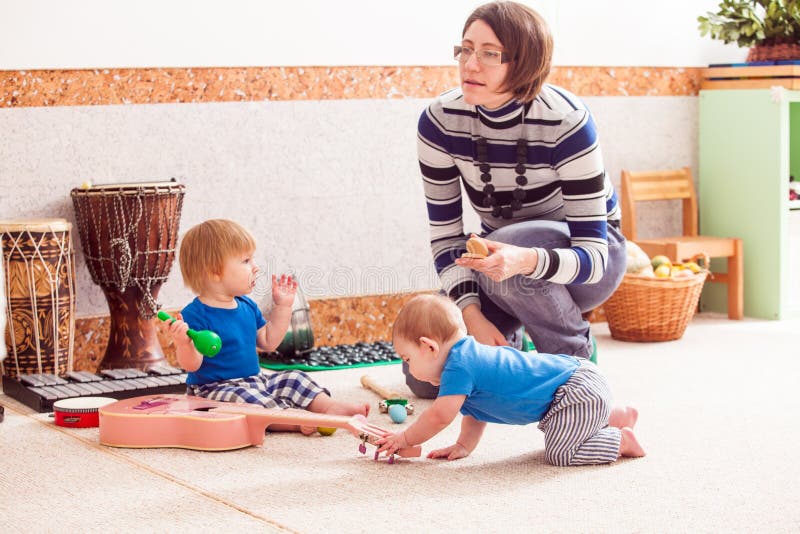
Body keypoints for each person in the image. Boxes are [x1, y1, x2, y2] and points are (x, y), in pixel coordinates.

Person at [408, 1, 626, 397]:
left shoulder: (567, 120)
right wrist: (471, 316)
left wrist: (522, 261)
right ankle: (518, 350)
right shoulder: (439, 122)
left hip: (589, 259)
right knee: (428, 376)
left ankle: (575, 364)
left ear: (524, 62)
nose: (471, 64)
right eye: (466, 49)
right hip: (499, 261)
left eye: (490, 54)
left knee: (514, 248)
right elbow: (445, 237)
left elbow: (593, 260)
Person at [377, 294, 644, 465]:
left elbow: (438, 416)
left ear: (429, 347)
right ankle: (614, 415)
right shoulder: (467, 361)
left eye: (407, 358)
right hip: (578, 383)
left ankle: (620, 441)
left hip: (573, 390)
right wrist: (464, 444)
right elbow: (477, 411)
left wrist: (405, 439)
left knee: (562, 452)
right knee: (567, 427)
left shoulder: (460, 365)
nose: (407, 366)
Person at [165, 219, 368, 434]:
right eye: (246, 261)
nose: (256, 267)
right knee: (248, 401)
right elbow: (192, 365)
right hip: (213, 391)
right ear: (215, 271)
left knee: (293, 378)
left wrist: (283, 307)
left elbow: (269, 341)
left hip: (255, 380)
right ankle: (295, 420)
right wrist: (183, 344)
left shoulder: (246, 306)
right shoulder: (194, 315)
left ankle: (329, 406)